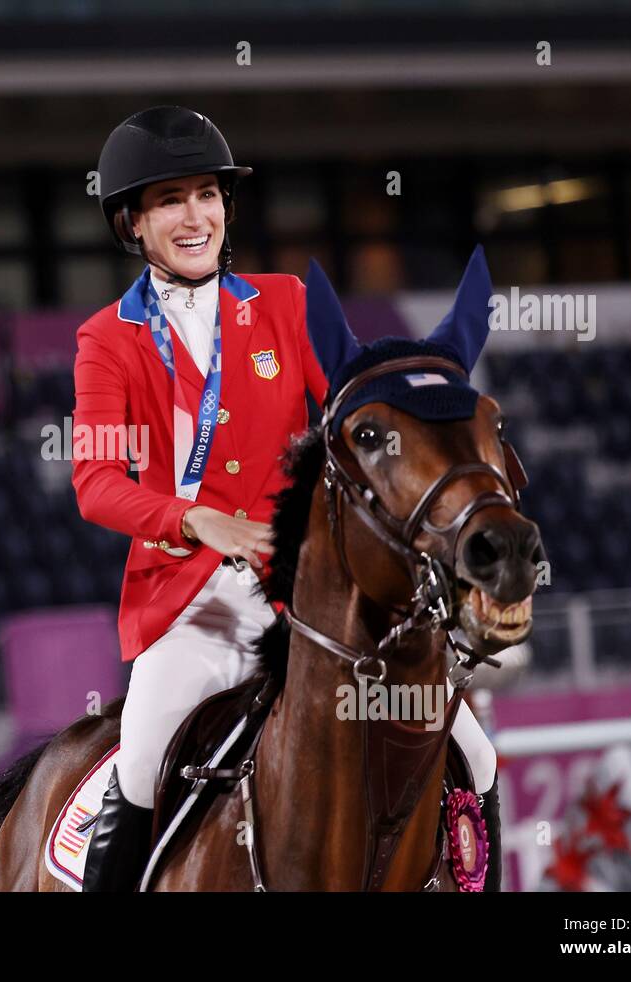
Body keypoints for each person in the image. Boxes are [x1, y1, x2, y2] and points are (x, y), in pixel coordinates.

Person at [71, 106, 500, 892]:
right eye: (170, 200)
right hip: (188, 606)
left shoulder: (285, 305)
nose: (194, 216)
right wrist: (191, 517)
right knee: (140, 755)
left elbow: (352, 420)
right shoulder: (107, 338)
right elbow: (95, 484)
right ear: (133, 222)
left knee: (475, 751)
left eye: (207, 194)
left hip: (306, 600)